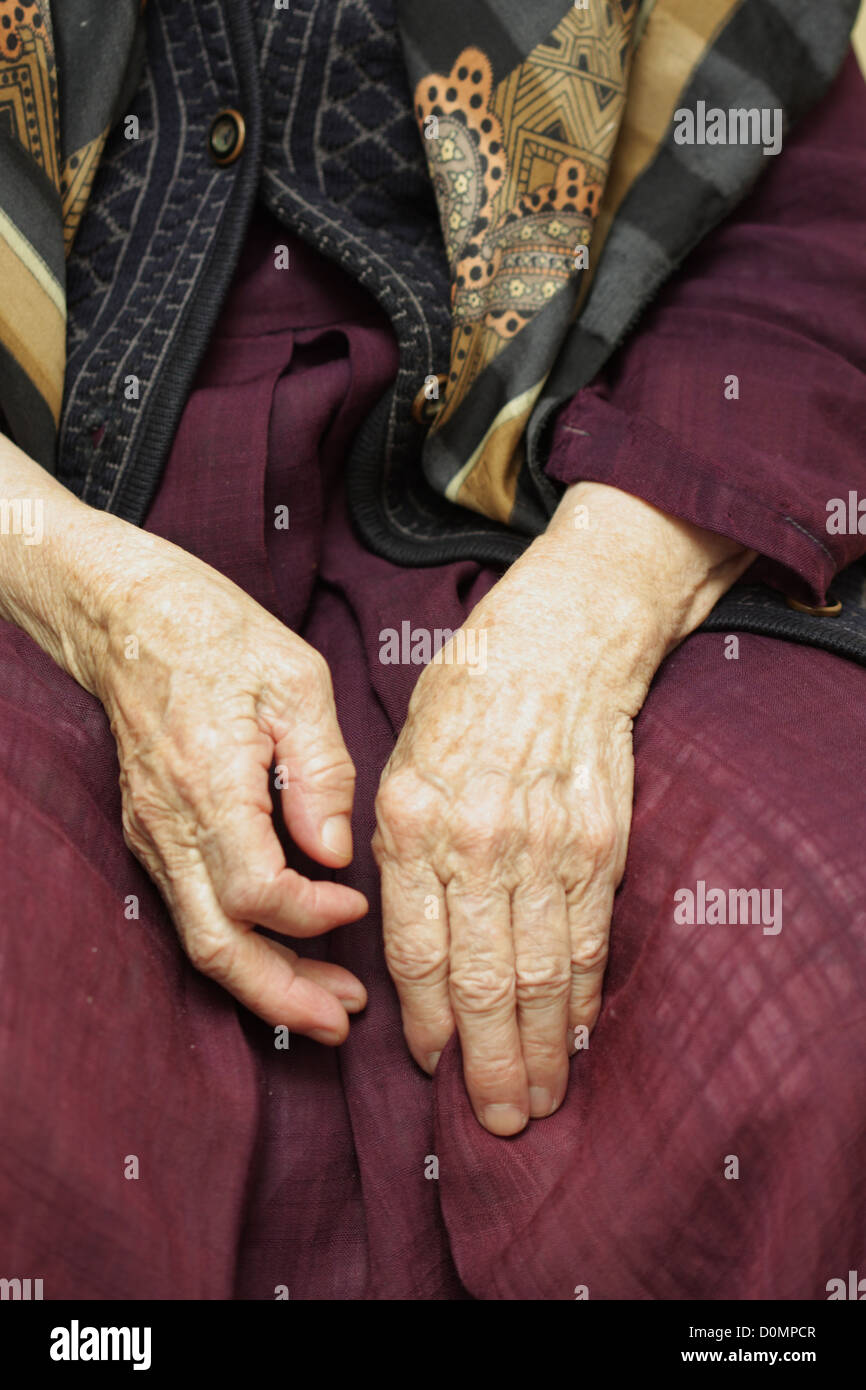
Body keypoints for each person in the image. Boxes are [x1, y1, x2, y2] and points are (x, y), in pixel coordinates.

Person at [0, 0, 864, 1299]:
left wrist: (596, 602)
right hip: (37, 511)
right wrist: (95, 594)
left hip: (580, 473)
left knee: (805, 974)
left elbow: (798, 219)